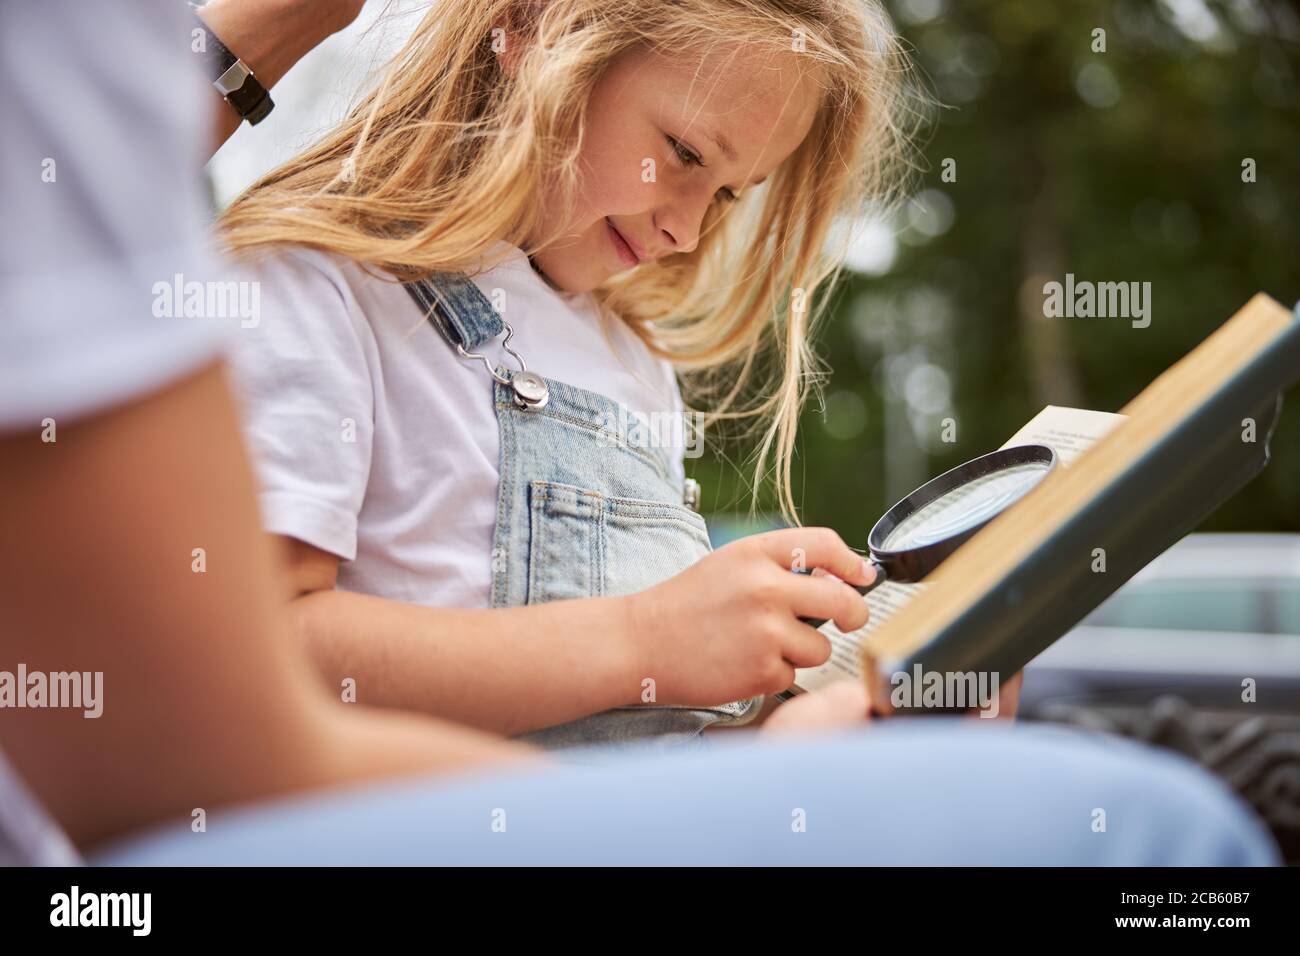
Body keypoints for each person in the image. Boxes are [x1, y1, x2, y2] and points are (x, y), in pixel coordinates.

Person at [0, 0, 1277, 867]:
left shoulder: (627, 361)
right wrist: (640, 638)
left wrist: (833, 712)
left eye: (729, 192)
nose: (687, 223)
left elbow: (651, 731)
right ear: (538, 32)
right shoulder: (321, 288)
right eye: (679, 151)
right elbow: (270, 648)